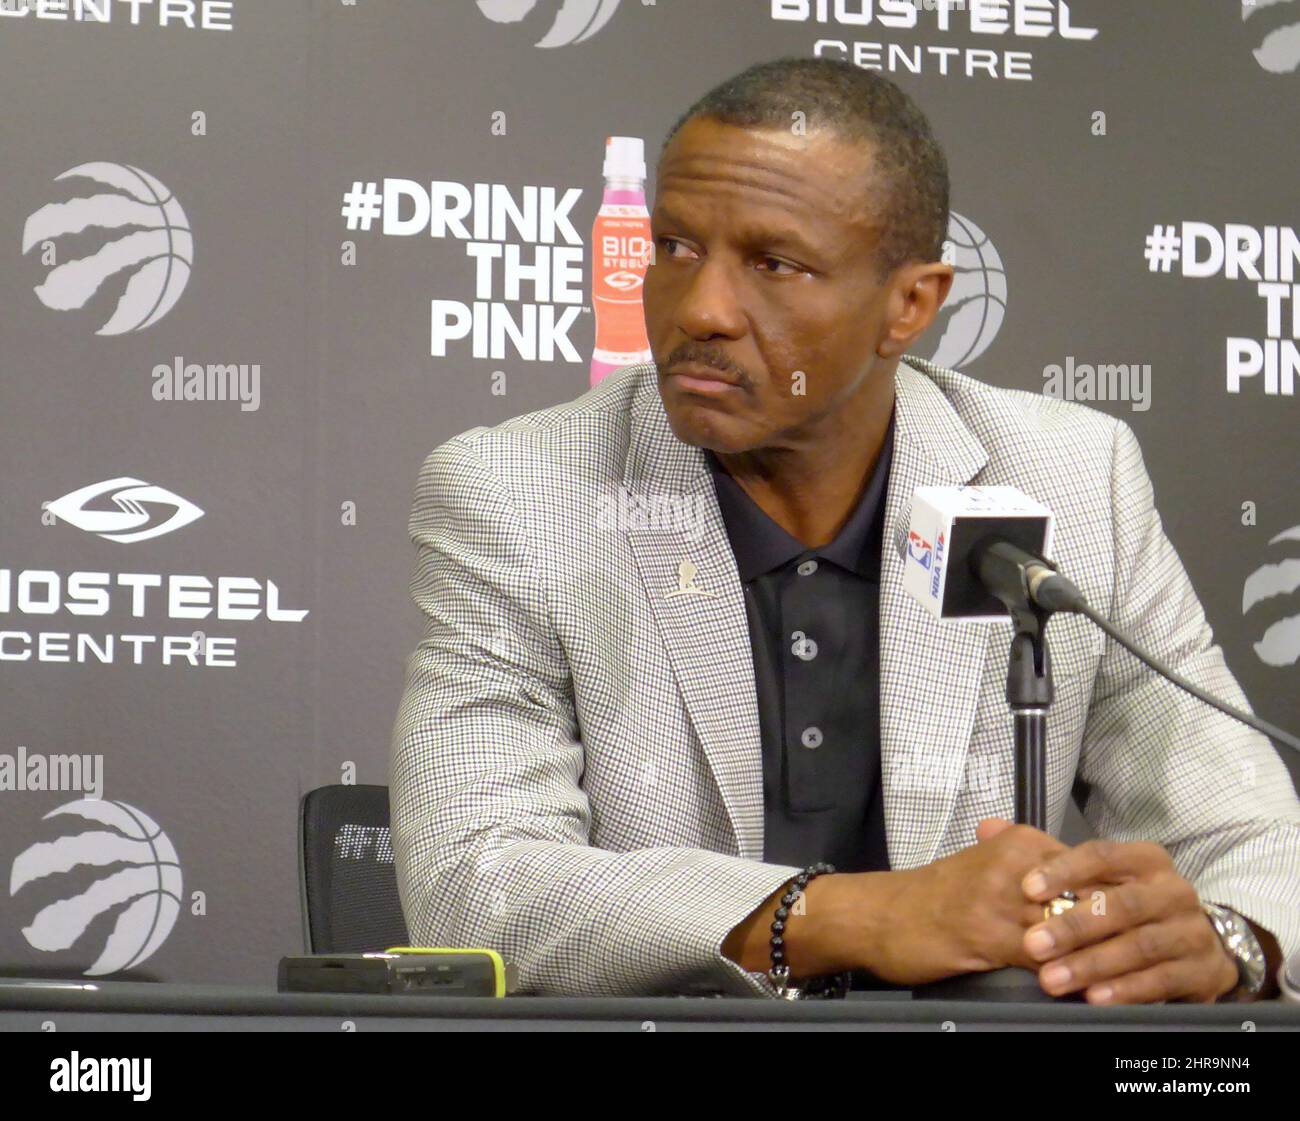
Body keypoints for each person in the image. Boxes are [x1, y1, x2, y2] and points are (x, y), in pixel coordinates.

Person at [389, 57, 1300, 1001]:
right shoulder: (520, 492)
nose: (699, 308)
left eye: (774, 263)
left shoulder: (1069, 476)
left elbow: (1251, 838)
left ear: (909, 305)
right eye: (675, 248)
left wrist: (1225, 943)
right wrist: (865, 914)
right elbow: (476, 883)